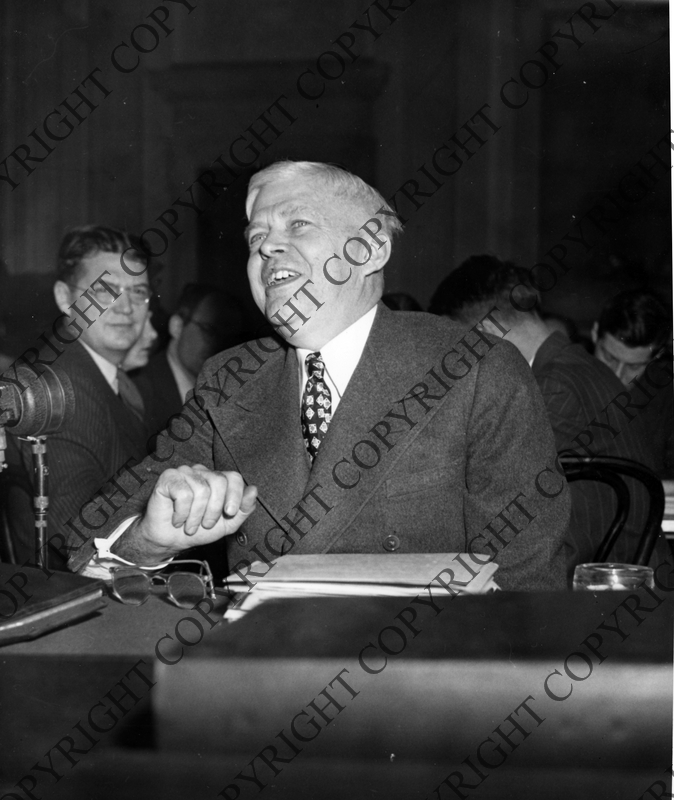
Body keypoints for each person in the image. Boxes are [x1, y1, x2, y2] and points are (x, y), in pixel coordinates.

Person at [66, 162, 569, 592]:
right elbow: (87, 548)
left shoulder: (476, 369)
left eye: (298, 225)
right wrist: (151, 539)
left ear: (371, 249)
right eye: (256, 238)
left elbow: (528, 584)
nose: (266, 250)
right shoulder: (229, 380)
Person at [433, 255, 670, 577]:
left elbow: (508, 504)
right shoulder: (577, 367)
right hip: (616, 566)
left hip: (598, 581)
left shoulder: (553, 386)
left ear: (486, 331)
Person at [6, 225, 151, 567]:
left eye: (139, 291)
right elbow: (77, 534)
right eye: (105, 290)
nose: (126, 307)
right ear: (64, 298)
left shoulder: (98, 372)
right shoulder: (63, 383)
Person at [131, 284, 243, 436]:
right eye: (209, 331)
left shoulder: (228, 395)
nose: (220, 344)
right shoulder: (138, 391)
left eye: (232, 338)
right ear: (177, 326)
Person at [593, 289, 673, 477]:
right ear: (595, 333)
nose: (617, 374)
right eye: (609, 357)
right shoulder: (560, 379)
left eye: (634, 366)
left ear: (657, 356)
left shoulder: (667, 397)